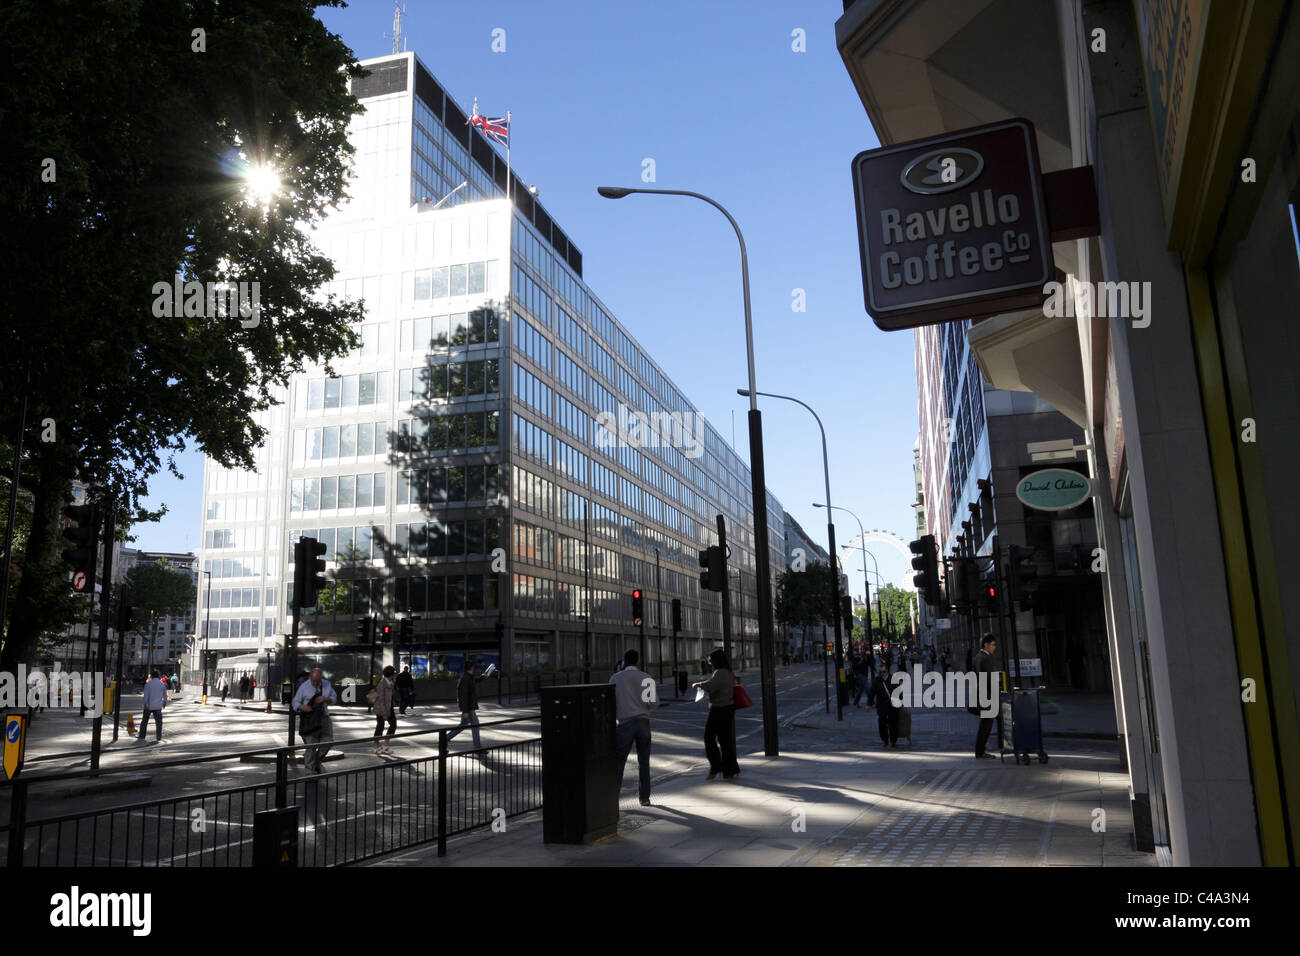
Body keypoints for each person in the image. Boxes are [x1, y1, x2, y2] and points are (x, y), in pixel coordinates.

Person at [609, 649, 654, 806]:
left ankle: (613, 798)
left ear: (624, 661)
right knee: (644, 761)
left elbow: (610, 701)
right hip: (643, 722)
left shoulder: (615, 678)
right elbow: (653, 703)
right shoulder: (646, 678)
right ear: (638, 660)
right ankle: (644, 797)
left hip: (625, 723)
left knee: (619, 762)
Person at [692, 648, 740, 780]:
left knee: (709, 737)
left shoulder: (720, 673)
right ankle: (729, 769)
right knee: (725, 740)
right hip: (728, 708)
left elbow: (711, 686)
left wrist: (698, 684)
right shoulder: (727, 672)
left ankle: (716, 766)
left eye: (711, 660)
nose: (710, 662)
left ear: (716, 660)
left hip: (719, 709)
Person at [293, 668, 337, 773]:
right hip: (310, 719)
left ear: (321, 678)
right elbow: (295, 702)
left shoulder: (327, 684)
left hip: (324, 717)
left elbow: (334, 698)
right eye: (314, 681)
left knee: (328, 742)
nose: (316, 683)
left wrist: (326, 699)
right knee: (311, 746)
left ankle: (316, 761)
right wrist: (302, 707)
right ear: (310, 678)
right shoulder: (304, 687)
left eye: (318, 681)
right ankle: (309, 770)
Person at [446, 659, 489, 751]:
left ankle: (445, 739)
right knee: (475, 725)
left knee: (463, 725)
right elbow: (463, 696)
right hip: (469, 708)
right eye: (474, 666)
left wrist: (483, 677)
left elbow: (474, 681)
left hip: (469, 707)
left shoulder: (468, 677)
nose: (474, 668)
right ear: (472, 668)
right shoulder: (465, 679)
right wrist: (465, 711)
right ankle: (477, 747)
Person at [974, 634, 999, 759]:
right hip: (986, 697)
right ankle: (980, 751)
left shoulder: (982, 657)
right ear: (986, 644)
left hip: (987, 696)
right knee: (986, 725)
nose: (995, 647)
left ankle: (981, 750)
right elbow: (984, 678)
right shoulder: (983, 658)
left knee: (987, 723)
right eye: (993, 645)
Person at [866, 662, 899, 748]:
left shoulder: (893, 679)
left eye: (884, 672)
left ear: (887, 671)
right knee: (882, 723)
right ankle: (885, 740)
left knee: (893, 723)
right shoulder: (877, 680)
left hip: (892, 705)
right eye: (880, 672)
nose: (882, 674)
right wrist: (869, 704)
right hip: (881, 705)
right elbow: (872, 693)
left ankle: (893, 740)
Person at [372, 665, 397, 755]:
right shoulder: (382, 684)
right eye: (394, 673)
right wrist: (383, 713)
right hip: (381, 708)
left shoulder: (391, 681)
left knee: (393, 725)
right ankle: (375, 747)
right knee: (380, 727)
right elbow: (380, 700)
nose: (395, 674)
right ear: (391, 674)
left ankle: (385, 745)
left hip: (389, 707)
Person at [137, 670, 167, 743]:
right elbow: (165, 695)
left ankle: (142, 736)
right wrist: (164, 703)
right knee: (159, 722)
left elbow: (146, 696)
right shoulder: (162, 684)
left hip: (149, 706)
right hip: (158, 706)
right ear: (159, 676)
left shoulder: (148, 684)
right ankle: (158, 737)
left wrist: (145, 704)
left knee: (144, 721)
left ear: (152, 676)